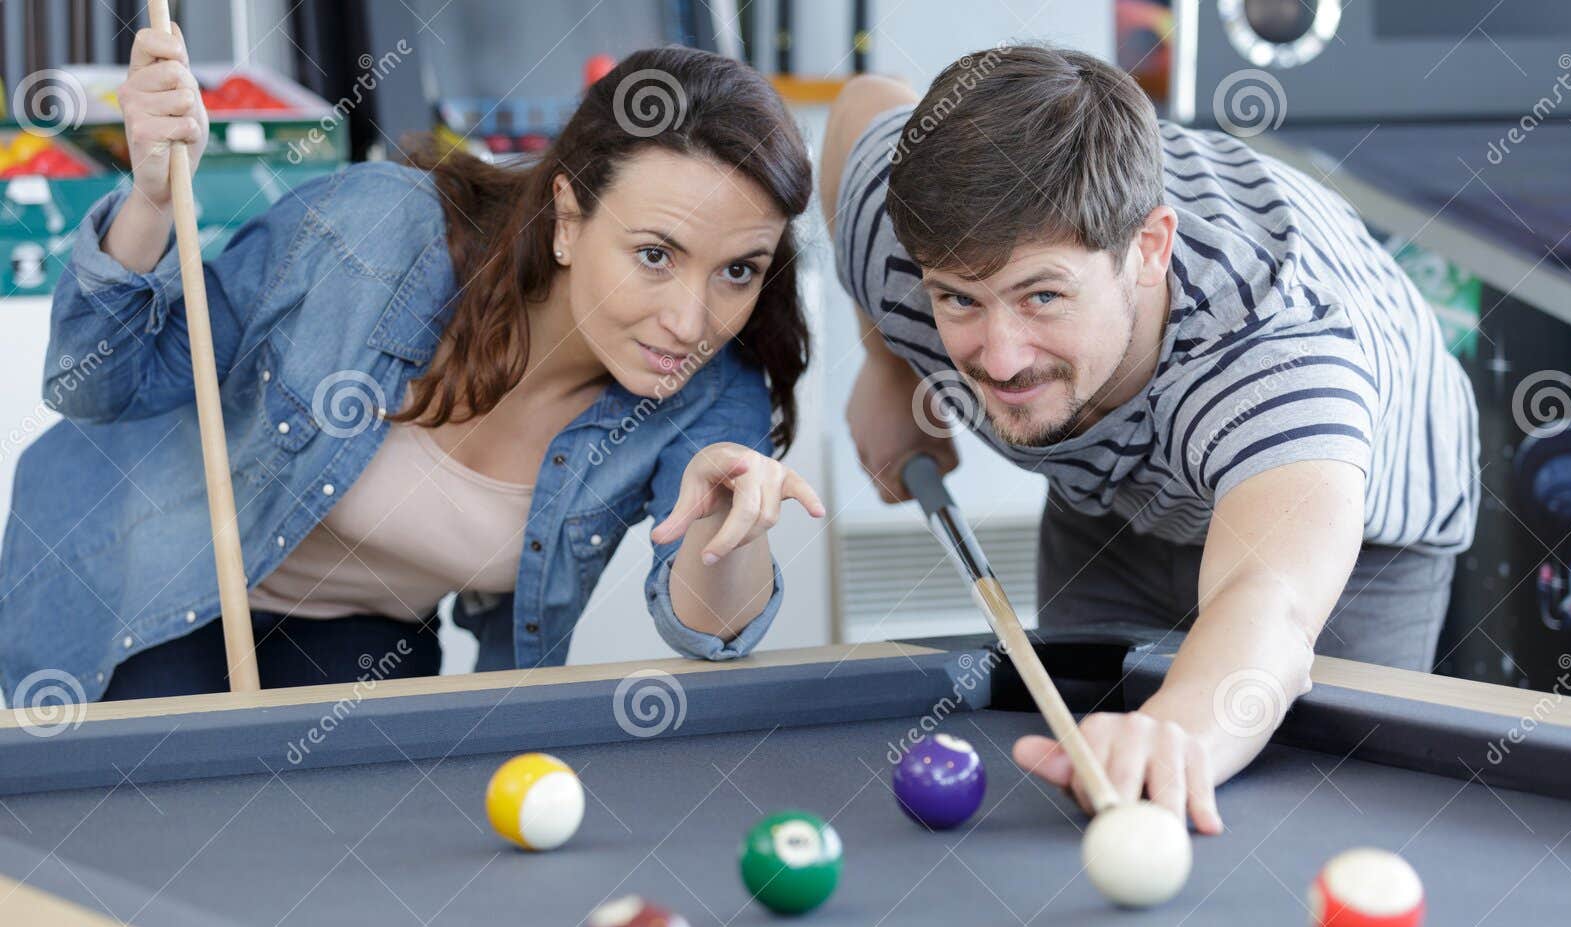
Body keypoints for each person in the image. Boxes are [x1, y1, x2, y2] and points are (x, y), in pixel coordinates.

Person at [0, 34, 823, 704]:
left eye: (739, 272)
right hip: (139, 580)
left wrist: (726, 521)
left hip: (354, 632)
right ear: (568, 218)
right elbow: (95, 384)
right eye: (654, 255)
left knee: (346, 850)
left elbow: (711, 633)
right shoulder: (373, 235)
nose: (691, 320)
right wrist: (148, 199)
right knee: (161, 837)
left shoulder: (712, 395)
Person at [821, 45, 1479, 832]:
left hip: (1361, 531)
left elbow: (1268, 603)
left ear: (1149, 248)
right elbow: (863, 105)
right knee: (1096, 778)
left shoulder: (1275, 352)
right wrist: (885, 364)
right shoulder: (894, 234)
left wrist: (1180, 730)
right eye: (960, 300)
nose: (998, 358)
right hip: (1115, 499)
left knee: (1319, 815)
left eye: (1042, 296)